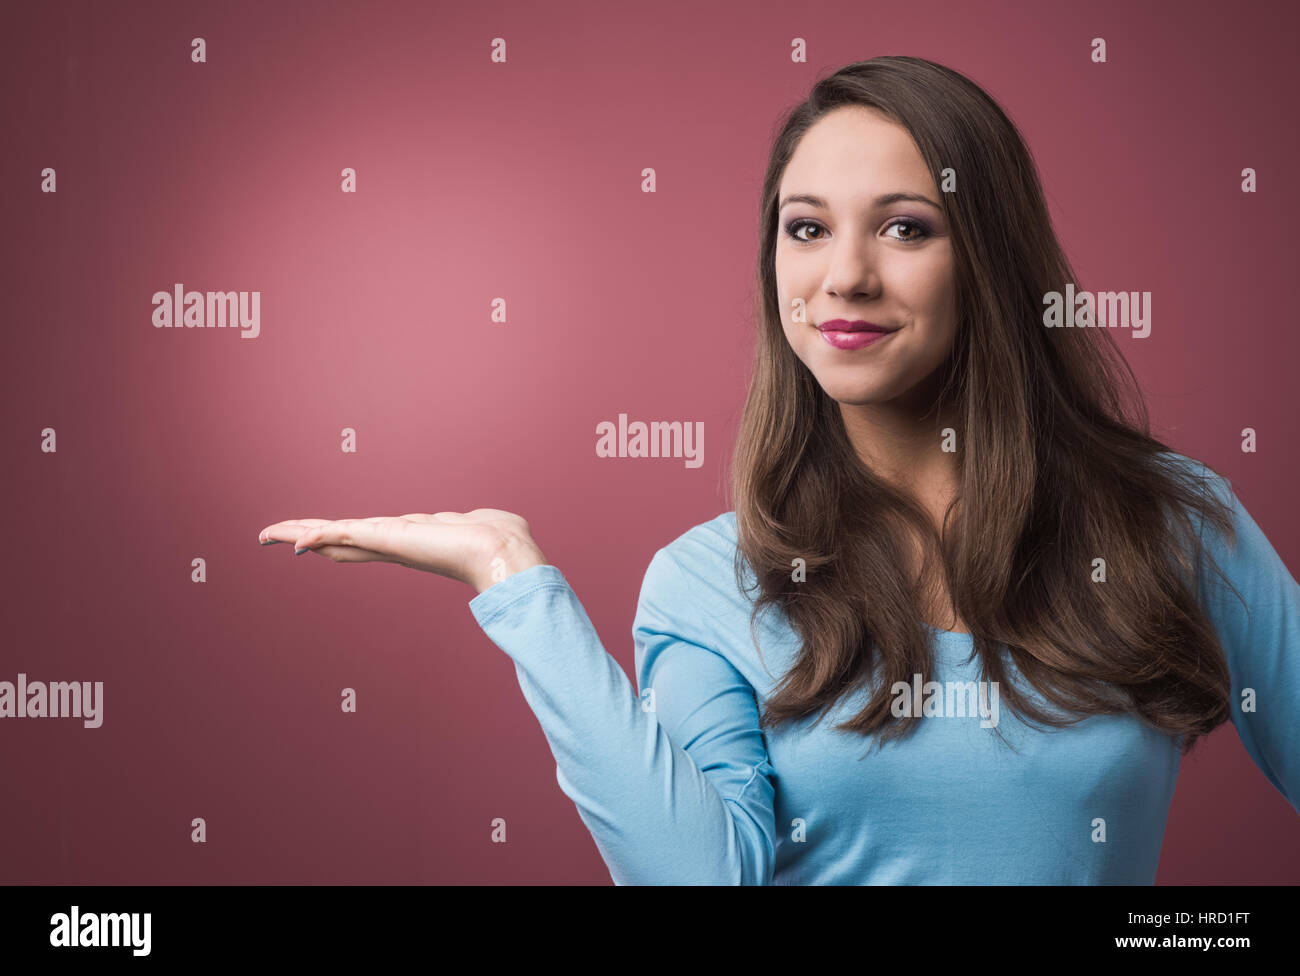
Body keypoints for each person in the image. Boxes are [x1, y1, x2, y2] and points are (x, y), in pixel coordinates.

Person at [258, 56, 1299, 884]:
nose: (843, 274)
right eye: (805, 228)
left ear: (989, 254)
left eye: (903, 227)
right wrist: (511, 578)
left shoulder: (1167, 522)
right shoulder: (708, 581)